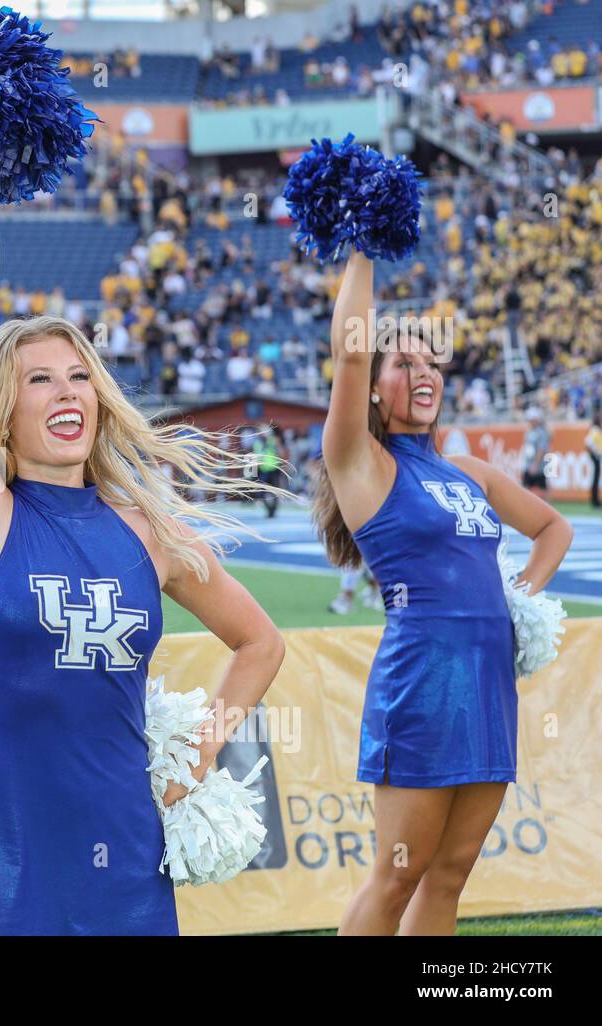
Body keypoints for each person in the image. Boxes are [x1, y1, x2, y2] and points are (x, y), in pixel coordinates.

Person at [0, 194, 287, 935]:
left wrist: (196, 757)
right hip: (5, 856)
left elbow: (261, 643)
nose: (66, 391)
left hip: (128, 854)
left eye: (79, 375)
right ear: (3, 408)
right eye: (39, 379)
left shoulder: (148, 532)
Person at [311, 252, 572, 936]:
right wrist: (365, 248)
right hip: (422, 689)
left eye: (432, 364)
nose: (424, 373)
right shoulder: (363, 462)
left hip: (487, 687)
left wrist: (521, 600)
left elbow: (552, 529)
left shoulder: (469, 471)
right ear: (372, 385)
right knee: (396, 876)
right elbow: (348, 352)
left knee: (450, 876)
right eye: (403, 364)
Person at [519, 406, 551, 499]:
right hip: (529, 463)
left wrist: (535, 464)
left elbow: (541, 450)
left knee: (542, 489)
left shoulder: (541, 433)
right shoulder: (529, 432)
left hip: (538, 466)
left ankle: (546, 509)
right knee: (525, 488)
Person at [583, 413, 602, 508]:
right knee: (595, 478)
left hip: (596, 456)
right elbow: (588, 442)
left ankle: (596, 499)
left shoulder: (596, 430)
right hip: (595, 457)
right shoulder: (595, 430)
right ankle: (594, 500)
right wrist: (595, 453)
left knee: (596, 478)